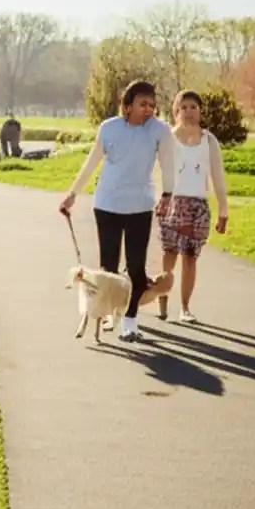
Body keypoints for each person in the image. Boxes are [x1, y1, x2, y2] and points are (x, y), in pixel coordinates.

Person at [60, 80, 176, 342]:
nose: (148, 109)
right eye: (142, 104)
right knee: (108, 267)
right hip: (108, 204)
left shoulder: (160, 130)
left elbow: (168, 164)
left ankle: (130, 321)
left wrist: (168, 194)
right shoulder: (109, 128)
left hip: (139, 206)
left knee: (136, 267)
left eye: (152, 105)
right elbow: (91, 163)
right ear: (128, 105)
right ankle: (107, 315)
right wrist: (72, 194)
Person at [157, 90, 230, 323]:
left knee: (190, 257)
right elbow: (154, 170)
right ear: (176, 111)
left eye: (194, 107)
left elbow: (218, 177)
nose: (189, 112)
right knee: (170, 254)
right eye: (184, 107)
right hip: (173, 203)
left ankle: (185, 307)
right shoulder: (167, 138)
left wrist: (223, 210)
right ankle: (163, 299)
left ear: (200, 111)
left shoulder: (209, 140)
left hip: (198, 206)